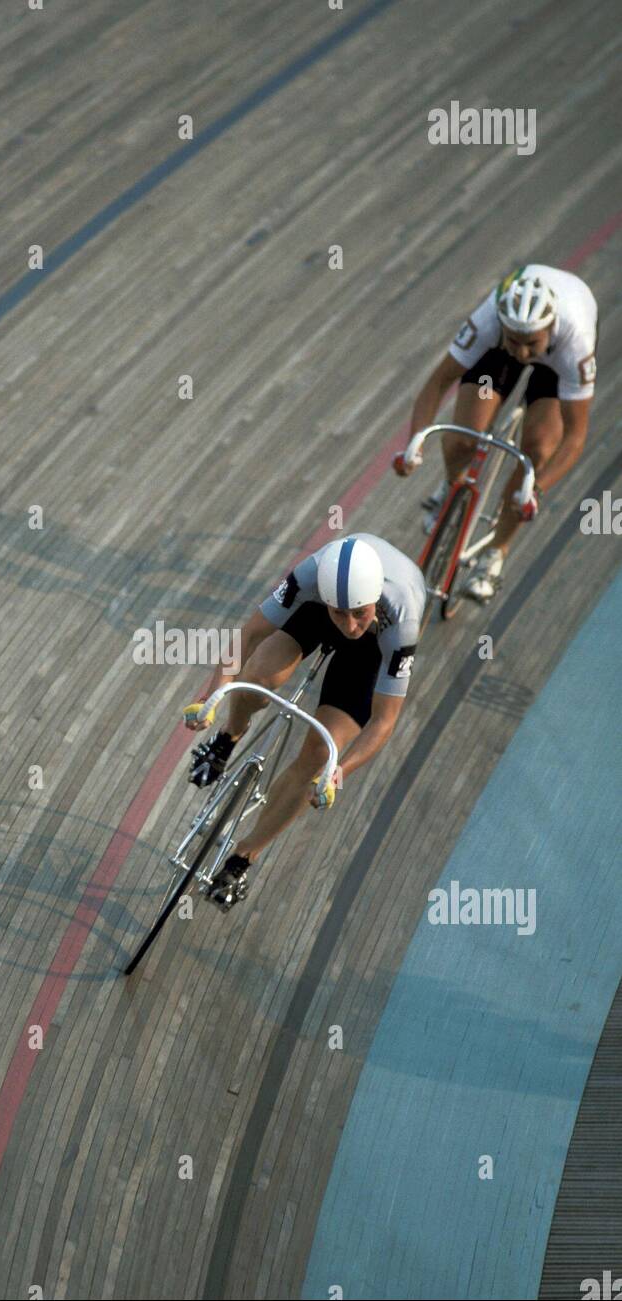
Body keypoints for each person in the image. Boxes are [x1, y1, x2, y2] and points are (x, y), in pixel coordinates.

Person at [182, 534, 426, 910]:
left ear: (373, 599)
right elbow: (250, 634)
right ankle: (230, 735)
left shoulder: (402, 618)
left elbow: (383, 720)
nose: (349, 625)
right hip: (316, 612)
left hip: (375, 645)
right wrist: (211, 696)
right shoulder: (310, 575)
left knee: (319, 753)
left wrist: (338, 772)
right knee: (258, 677)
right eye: (340, 614)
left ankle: (244, 857)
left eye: (357, 612)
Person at [395, 265, 597, 599]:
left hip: (555, 367)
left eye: (530, 343)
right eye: (514, 341)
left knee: (538, 448)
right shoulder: (488, 321)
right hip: (496, 356)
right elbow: (437, 383)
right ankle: (451, 486)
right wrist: (413, 446)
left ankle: (495, 553)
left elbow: (575, 437)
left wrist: (536, 491)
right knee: (463, 436)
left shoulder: (576, 344)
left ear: (550, 328)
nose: (522, 352)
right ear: (501, 324)